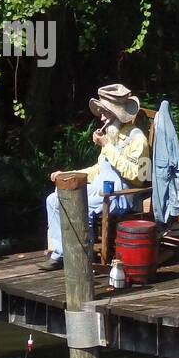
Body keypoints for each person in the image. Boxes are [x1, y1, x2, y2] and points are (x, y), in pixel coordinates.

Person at [41, 84, 152, 270]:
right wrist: (69, 175)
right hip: (101, 187)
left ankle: (84, 259)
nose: (101, 118)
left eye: (105, 113)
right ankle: (61, 253)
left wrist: (107, 147)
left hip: (121, 194)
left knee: (82, 204)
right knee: (53, 199)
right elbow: (98, 169)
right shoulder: (112, 136)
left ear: (117, 114)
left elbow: (139, 176)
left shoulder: (137, 138)